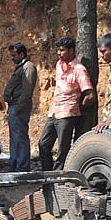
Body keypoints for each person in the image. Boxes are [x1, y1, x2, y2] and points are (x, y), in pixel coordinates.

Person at [38, 36, 95, 170]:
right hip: (54, 111)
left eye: (62, 50)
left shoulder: (79, 69)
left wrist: (77, 108)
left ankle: (59, 176)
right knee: (43, 144)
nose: (59, 53)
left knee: (63, 149)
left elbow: (90, 95)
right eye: (58, 50)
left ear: (71, 51)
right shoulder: (59, 65)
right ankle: (48, 173)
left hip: (68, 114)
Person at [2, 41, 38, 172]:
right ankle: (14, 165)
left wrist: (18, 108)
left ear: (22, 54)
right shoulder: (21, 67)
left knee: (20, 138)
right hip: (14, 106)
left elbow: (27, 90)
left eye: (14, 55)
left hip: (19, 107)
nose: (12, 58)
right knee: (15, 138)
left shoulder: (28, 67)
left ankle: (22, 167)